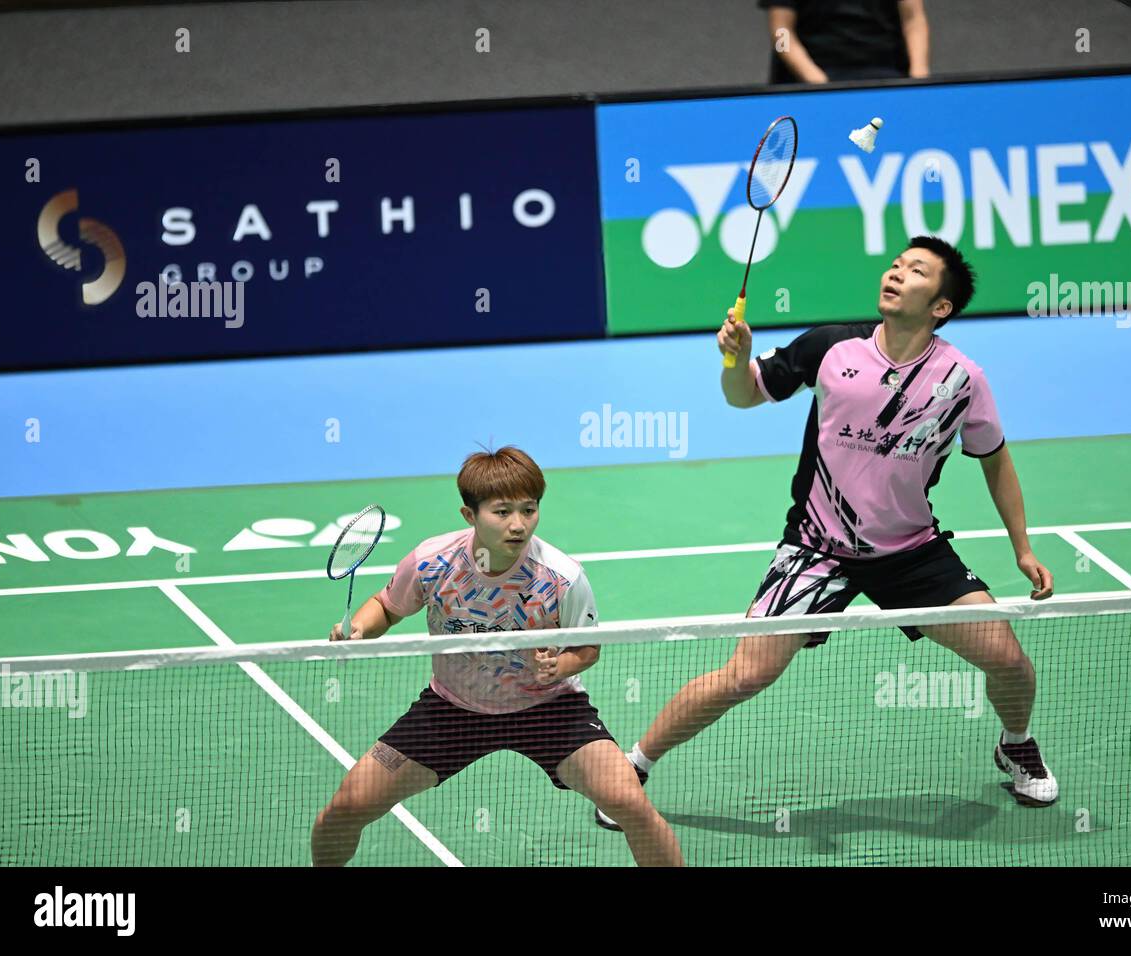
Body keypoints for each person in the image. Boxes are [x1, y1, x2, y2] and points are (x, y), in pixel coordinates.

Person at [596, 235, 1057, 831]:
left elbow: (993, 457)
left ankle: (1015, 742)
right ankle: (634, 765)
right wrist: (736, 358)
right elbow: (743, 398)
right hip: (817, 549)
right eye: (895, 264)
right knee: (746, 673)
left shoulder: (961, 380)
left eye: (915, 271)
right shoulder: (832, 346)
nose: (895, 274)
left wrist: (1022, 547)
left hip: (910, 551)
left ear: (940, 306)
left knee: (1010, 662)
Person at [312, 446, 683, 866]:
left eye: (529, 510)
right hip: (453, 708)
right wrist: (360, 630)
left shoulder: (562, 577)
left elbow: (587, 649)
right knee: (345, 809)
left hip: (549, 708)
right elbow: (387, 607)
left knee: (629, 802)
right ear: (469, 515)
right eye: (502, 512)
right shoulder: (433, 562)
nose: (518, 524)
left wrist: (558, 666)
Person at [761, 0, 930, 84]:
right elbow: (781, 32)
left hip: (887, 76)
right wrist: (818, 83)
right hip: (811, 82)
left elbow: (913, 19)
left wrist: (919, 78)